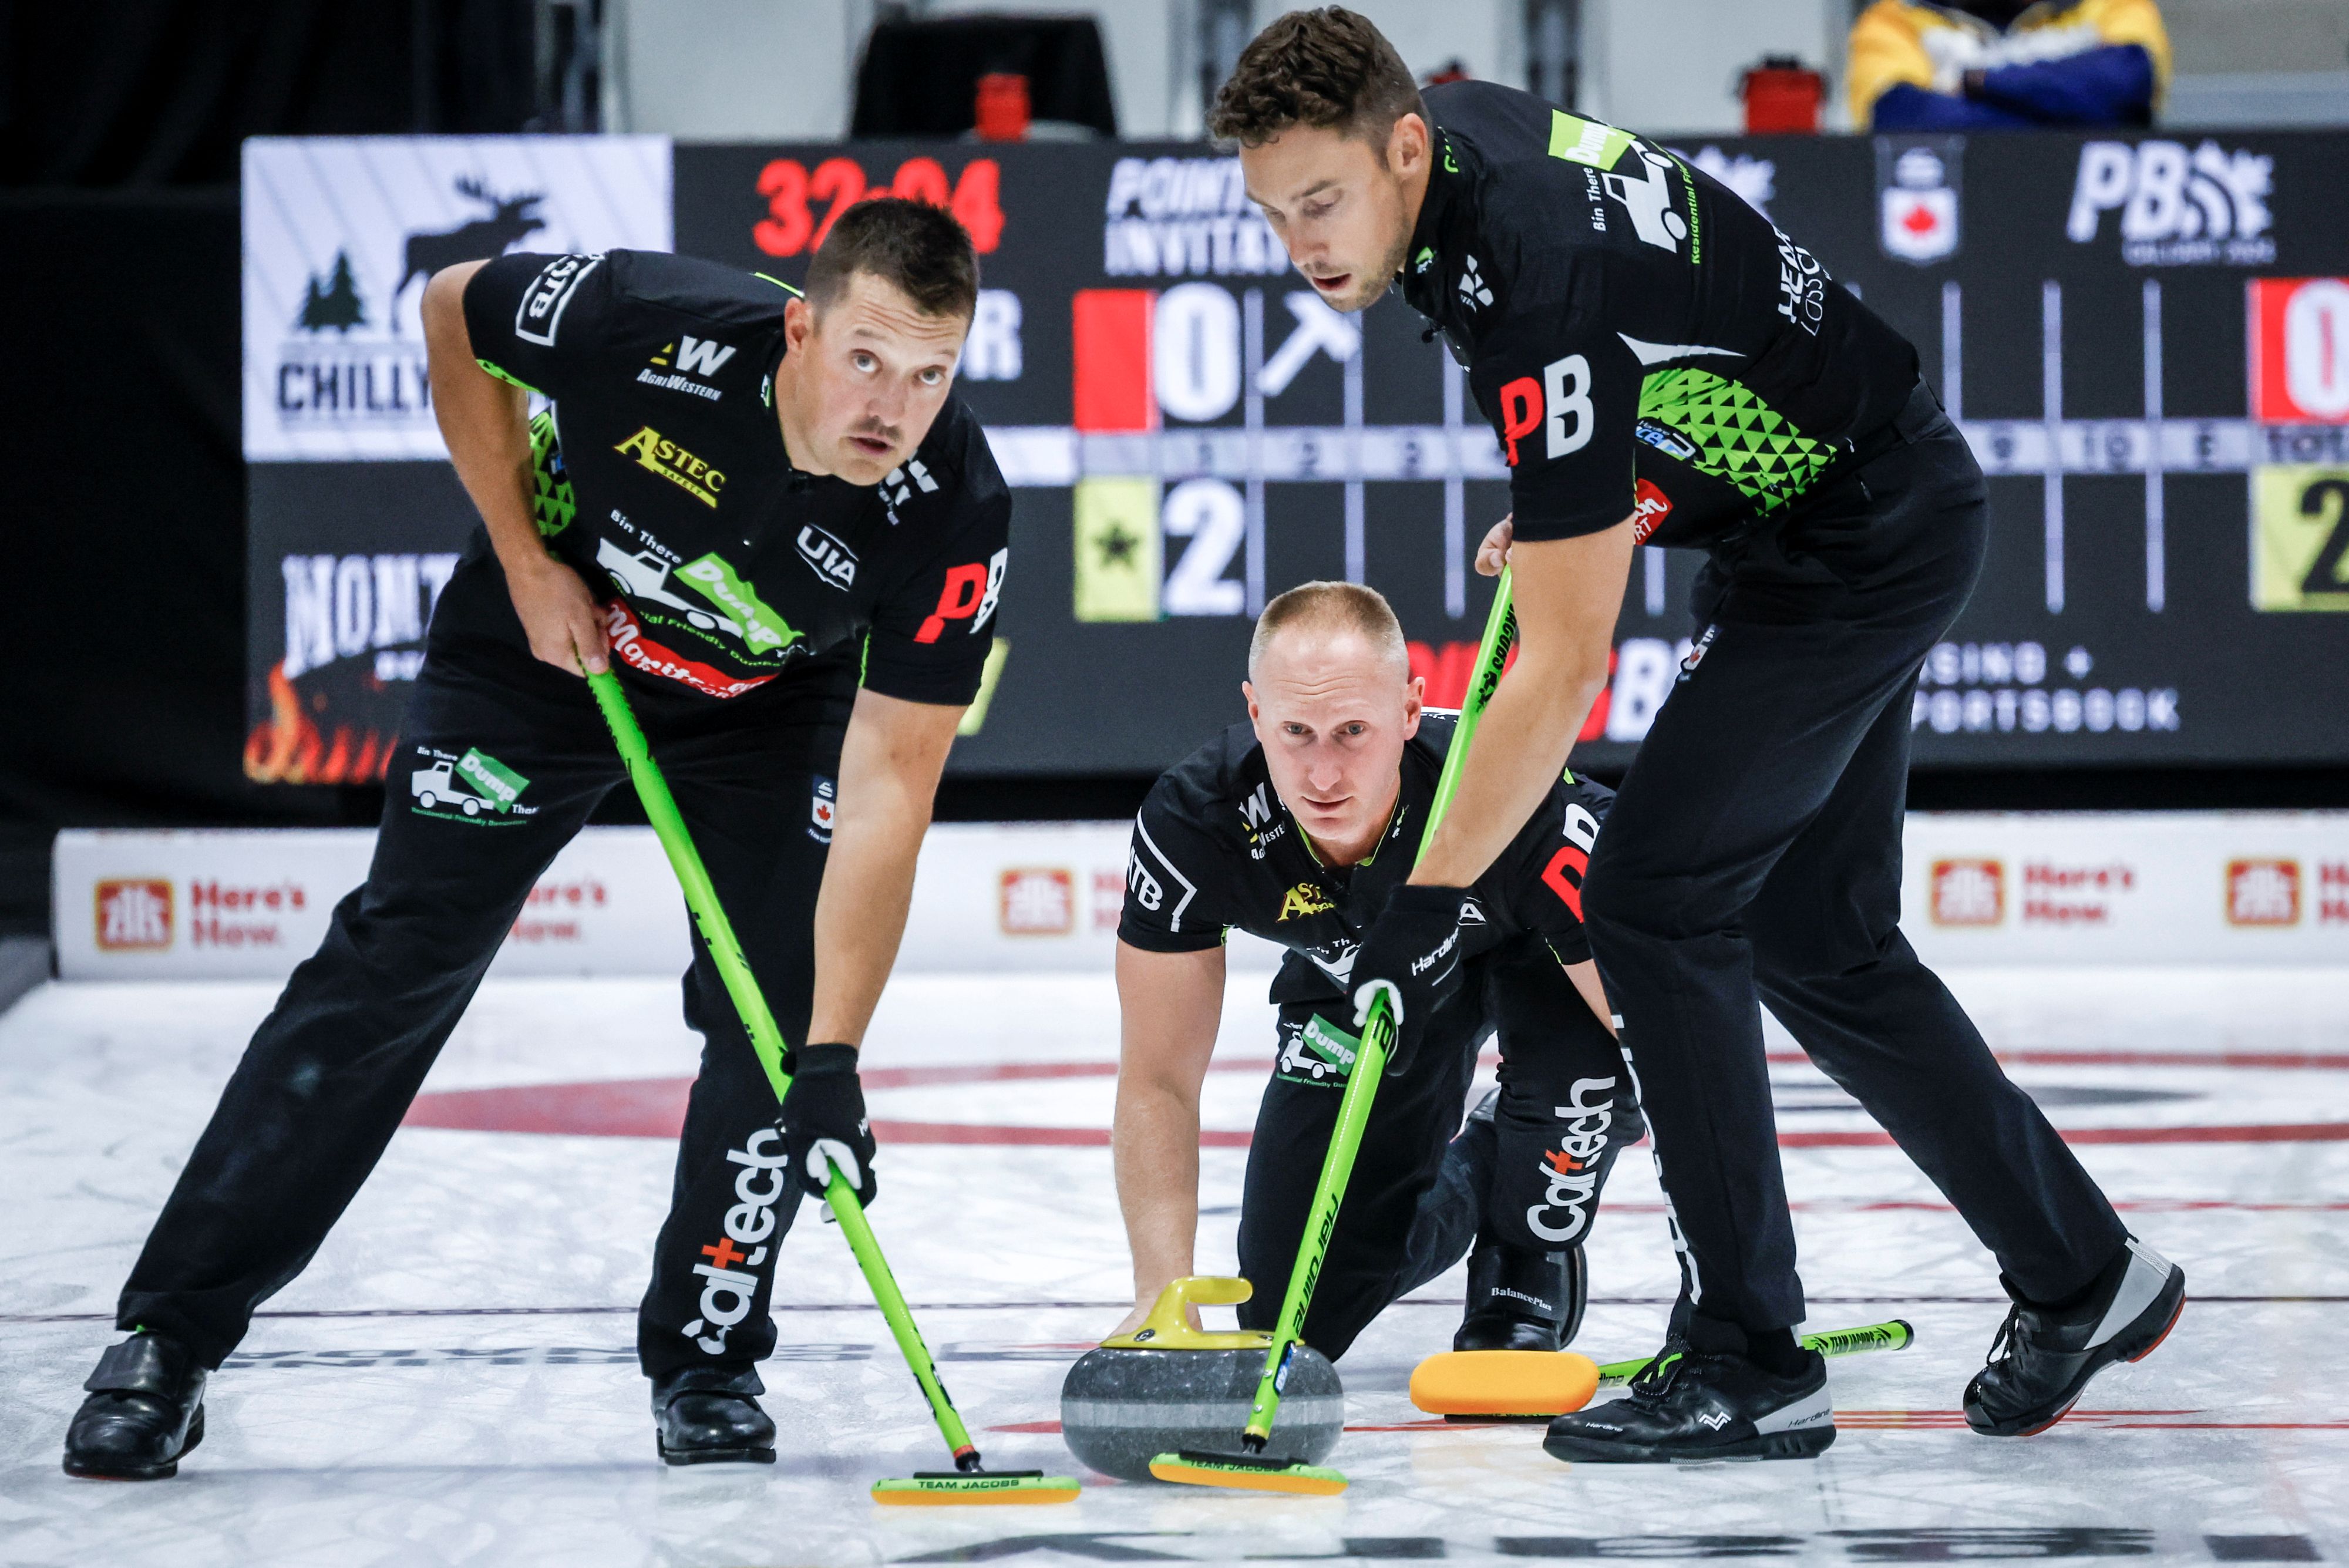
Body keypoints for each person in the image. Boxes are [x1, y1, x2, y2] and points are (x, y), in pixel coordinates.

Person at [1212, 8, 2184, 1463]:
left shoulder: (1524, 272)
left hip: (1854, 531)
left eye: (1322, 200)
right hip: (1827, 501)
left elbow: (1566, 661)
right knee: (1820, 941)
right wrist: (1584, 494)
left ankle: (1748, 1356)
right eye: (1274, 210)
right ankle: (2084, 1273)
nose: (1300, 241)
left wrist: (1423, 905)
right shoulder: (1460, 146)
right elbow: (1682, 330)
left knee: (1651, 900)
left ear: (1403, 150)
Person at [62, 199, 1011, 1479]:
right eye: (864, 361)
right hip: (546, 646)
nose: (890, 408)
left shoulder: (952, 507)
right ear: (801, 326)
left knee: (775, 1013)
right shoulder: (651, 325)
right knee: (395, 959)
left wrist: (832, 1053)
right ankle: (166, 1340)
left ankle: (709, 1359)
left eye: (929, 375)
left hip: (760, 714)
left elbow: (894, 781)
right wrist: (520, 555)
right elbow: (453, 306)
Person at [1110, 581, 1640, 1363]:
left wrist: (1726, 1295)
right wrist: (1159, 1300)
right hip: (1366, 971)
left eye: (1353, 730)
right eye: (1296, 731)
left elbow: (1662, 1041)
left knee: (1579, 1073)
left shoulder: (1523, 801)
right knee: (1292, 1315)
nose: (1323, 773)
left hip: (1541, 952)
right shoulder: (1196, 824)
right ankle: (1492, 1154)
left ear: (1410, 710)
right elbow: (1158, 1078)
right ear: (1256, 714)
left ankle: (1530, 1239)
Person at [1850, 0, 2172, 130]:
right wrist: (2071, 111)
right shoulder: (1894, 18)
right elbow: (1901, 120)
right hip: (1965, 226)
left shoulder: (2112, 4)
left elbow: (2125, 85)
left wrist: (1976, 83)